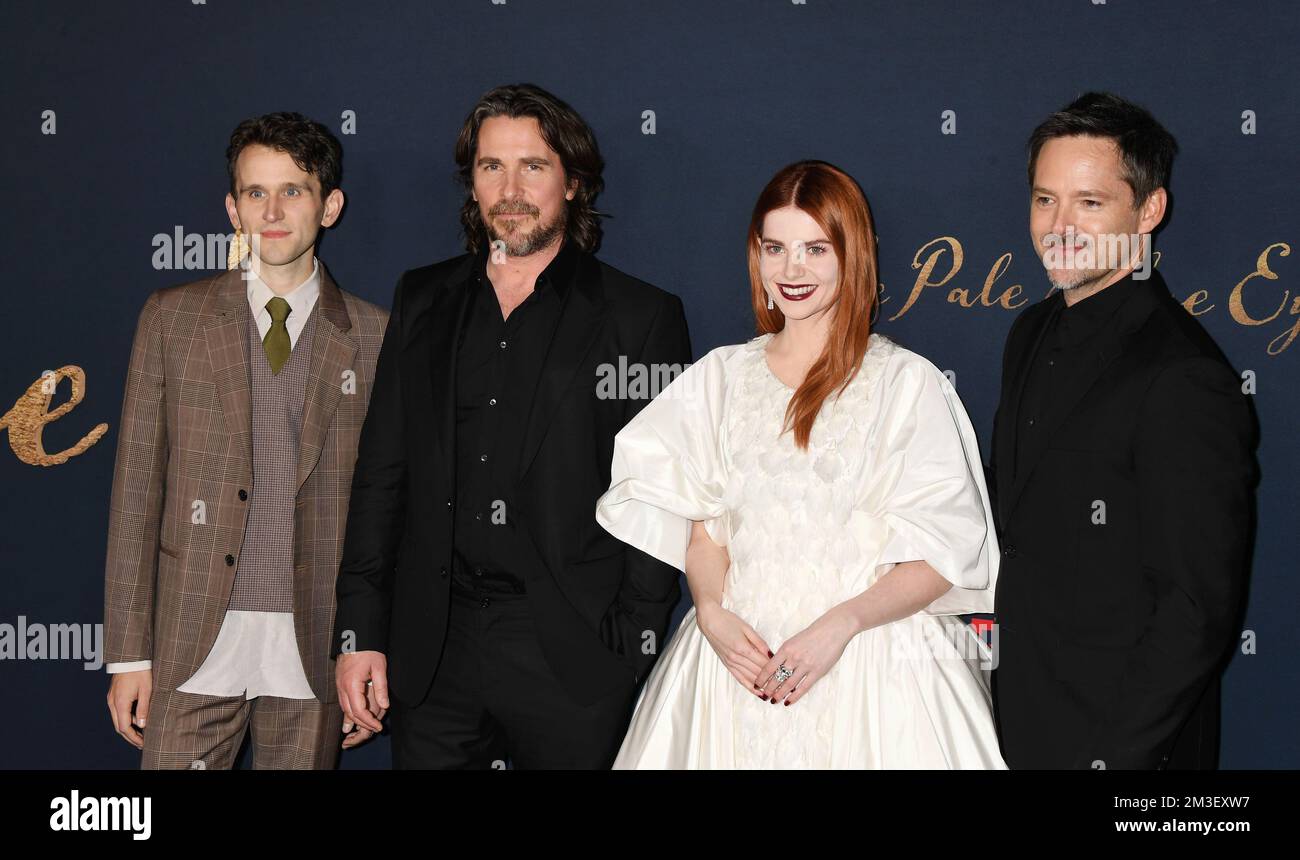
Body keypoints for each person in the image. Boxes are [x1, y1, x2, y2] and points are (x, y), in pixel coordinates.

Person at [595, 160, 1005, 768]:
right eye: (775, 248)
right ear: (755, 256)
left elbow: (944, 557)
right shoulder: (721, 378)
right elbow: (706, 531)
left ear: (853, 255)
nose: (792, 269)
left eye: (816, 248)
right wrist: (709, 610)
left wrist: (839, 626)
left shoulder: (906, 385)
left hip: (873, 670)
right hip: (737, 668)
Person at [332, 83, 692, 769]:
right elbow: (382, 473)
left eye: (534, 165)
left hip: (571, 651)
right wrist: (361, 633)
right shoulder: (424, 298)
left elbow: (663, 493)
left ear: (574, 182)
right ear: (472, 184)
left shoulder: (640, 317)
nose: (511, 187)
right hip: (433, 645)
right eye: (491, 166)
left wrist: (630, 641)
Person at [104, 112, 390, 768]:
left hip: (315, 645)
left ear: (331, 205)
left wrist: (367, 647)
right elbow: (136, 492)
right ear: (233, 208)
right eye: (256, 193)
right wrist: (129, 654)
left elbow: (390, 511)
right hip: (190, 639)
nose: (274, 209)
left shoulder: (379, 338)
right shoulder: (172, 320)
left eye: (294, 190)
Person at [989, 92, 1258, 769]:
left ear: (1149, 209)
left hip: (1123, 745)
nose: (1058, 226)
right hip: (1014, 718)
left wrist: (1111, 760)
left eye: (1090, 202)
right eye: (1045, 199)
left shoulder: (1184, 376)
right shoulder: (1029, 331)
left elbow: (1195, 611)